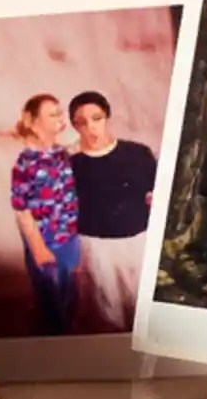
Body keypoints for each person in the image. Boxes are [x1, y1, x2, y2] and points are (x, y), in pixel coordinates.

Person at [68, 91, 158, 332]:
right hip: (96, 249)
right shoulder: (71, 164)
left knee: (142, 311)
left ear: (107, 117)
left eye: (96, 118)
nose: (91, 127)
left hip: (138, 244)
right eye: (82, 122)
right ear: (75, 126)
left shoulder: (138, 154)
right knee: (106, 314)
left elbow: (156, 194)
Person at [11, 93, 81, 335]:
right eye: (52, 115)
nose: (60, 118)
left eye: (60, 113)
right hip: (44, 241)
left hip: (68, 237)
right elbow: (21, 211)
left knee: (70, 299)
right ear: (34, 122)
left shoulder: (61, 153)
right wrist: (39, 249)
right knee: (52, 307)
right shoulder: (25, 164)